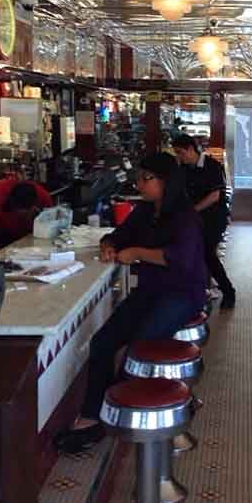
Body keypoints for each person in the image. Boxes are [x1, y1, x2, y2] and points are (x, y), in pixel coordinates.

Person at [54, 153, 207, 455]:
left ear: (166, 181)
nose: (139, 183)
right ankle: (92, 412)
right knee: (102, 342)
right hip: (150, 291)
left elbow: (178, 258)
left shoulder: (185, 216)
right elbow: (118, 235)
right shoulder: (145, 210)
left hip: (182, 293)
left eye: (146, 178)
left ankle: (112, 411)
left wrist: (137, 251)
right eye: (140, 177)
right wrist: (109, 245)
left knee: (140, 345)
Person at [172, 134, 236, 309]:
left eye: (180, 152)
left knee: (207, 254)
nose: (179, 156)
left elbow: (214, 196)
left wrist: (192, 210)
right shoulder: (184, 168)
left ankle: (228, 292)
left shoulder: (212, 166)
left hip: (214, 218)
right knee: (193, 253)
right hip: (194, 218)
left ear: (191, 149)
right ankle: (199, 290)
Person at [0, 178, 54, 253]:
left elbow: (51, 232)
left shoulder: (44, 199)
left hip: (28, 234)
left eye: (25, 215)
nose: (22, 217)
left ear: (34, 208)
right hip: (1, 231)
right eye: (18, 213)